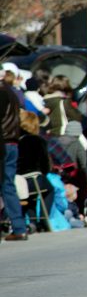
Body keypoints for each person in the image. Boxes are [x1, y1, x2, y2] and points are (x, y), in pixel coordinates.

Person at [1, 71, 27, 241]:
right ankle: (19, 227)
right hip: (12, 141)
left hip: (3, 142)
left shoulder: (2, 93)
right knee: (8, 185)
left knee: (7, 185)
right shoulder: (11, 91)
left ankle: (18, 227)